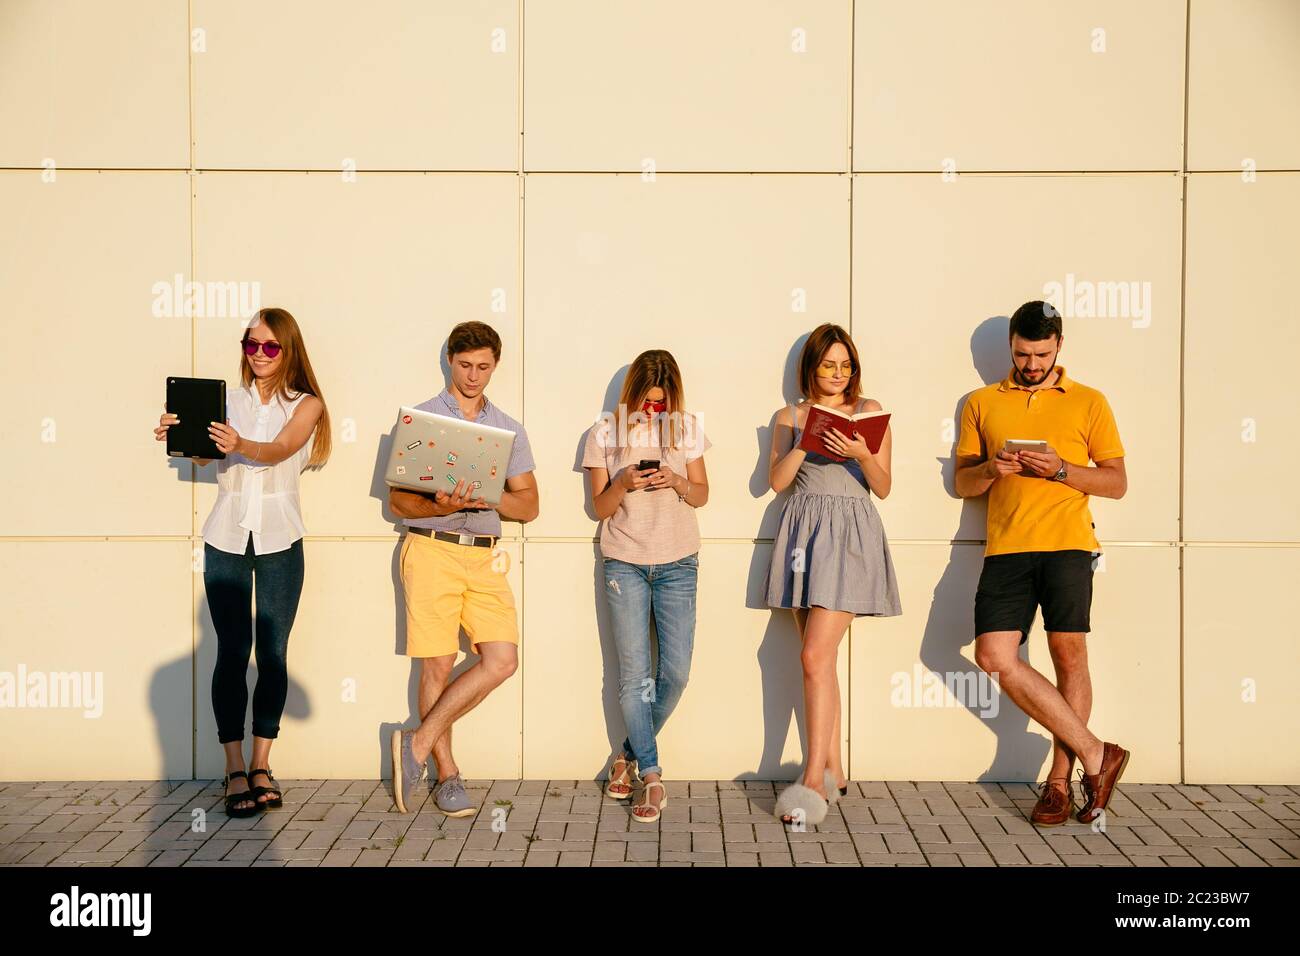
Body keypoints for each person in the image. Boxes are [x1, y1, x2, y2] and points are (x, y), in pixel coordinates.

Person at [955, 300, 1129, 826]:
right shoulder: (981, 402)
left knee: (1067, 656)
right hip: (1006, 545)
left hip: (1069, 544)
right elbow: (963, 483)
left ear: (1059, 346)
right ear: (1010, 346)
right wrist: (992, 467)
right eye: (1022, 353)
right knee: (993, 656)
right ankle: (1099, 755)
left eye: (1041, 354)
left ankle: (1058, 783)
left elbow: (1116, 483)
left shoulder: (1090, 401)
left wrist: (1061, 471)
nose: (1031, 364)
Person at [154, 307, 329, 816]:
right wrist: (181, 435)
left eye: (269, 346)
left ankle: (261, 764)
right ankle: (233, 768)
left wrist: (239, 442)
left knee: (273, 655)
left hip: (281, 538)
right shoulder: (224, 400)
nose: (258, 354)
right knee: (232, 652)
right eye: (250, 344)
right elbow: (208, 459)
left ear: (288, 349)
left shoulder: (307, 404)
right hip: (226, 535)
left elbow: (279, 449)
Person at [388, 321, 538, 815]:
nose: (473, 376)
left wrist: (483, 494)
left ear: (496, 365)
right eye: (465, 365)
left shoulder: (509, 429)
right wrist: (439, 505)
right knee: (437, 663)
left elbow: (529, 505)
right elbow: (398, 502)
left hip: (486, 554)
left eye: (483, 367)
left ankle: (416, 742)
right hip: (431, 548)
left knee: (502, 660)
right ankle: (447, 774)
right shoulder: (423, 420)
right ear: (450, 361)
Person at [766, 324, 901, 826]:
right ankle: (837, 772)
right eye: (828, 365)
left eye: (845, 366)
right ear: (811, 368)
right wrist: (805, 440)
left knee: (813, 654)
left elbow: (883, 487)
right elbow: (777, 482)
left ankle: (811, 778)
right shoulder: (788, 416)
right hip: (804, 537)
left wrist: (862, 453)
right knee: (820, 663)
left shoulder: (870, 413)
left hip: (850, 537)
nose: (838, 374)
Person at [582, 350, 711, 824]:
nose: (654, 411)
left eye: (662, 403)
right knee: (634, 676)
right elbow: (599, 508)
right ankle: (652, 779)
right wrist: (622, 482)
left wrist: (676, 478)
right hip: (624, 562)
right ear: (632, 394)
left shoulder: (688, 429)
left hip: (680, 561)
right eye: (647, 402)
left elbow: (702, 494)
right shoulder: (603, 433)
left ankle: (627, 757)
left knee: (675, 673)